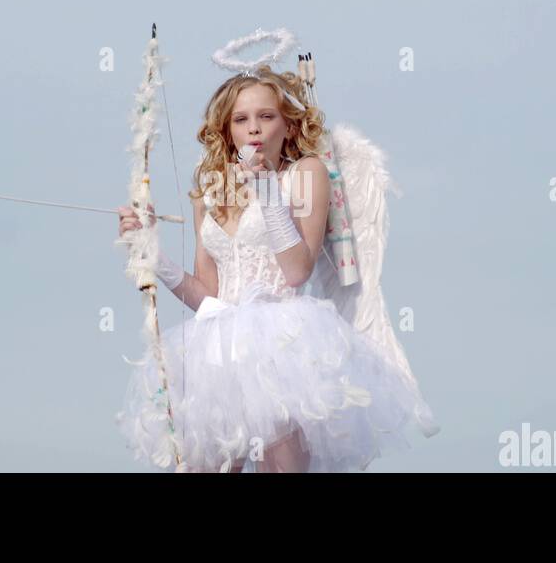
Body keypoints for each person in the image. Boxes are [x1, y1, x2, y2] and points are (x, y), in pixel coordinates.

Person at [114, 65, 439, 472]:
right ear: (227, 130)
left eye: (266, 117)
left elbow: (297, 271)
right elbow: (208, 297)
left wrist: (267, 191)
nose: (254, 129)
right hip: (216, 353)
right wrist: (152, 255)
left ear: (287, 126)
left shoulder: (305, 174)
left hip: (282, 348)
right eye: (241, 119)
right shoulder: (210, 191)